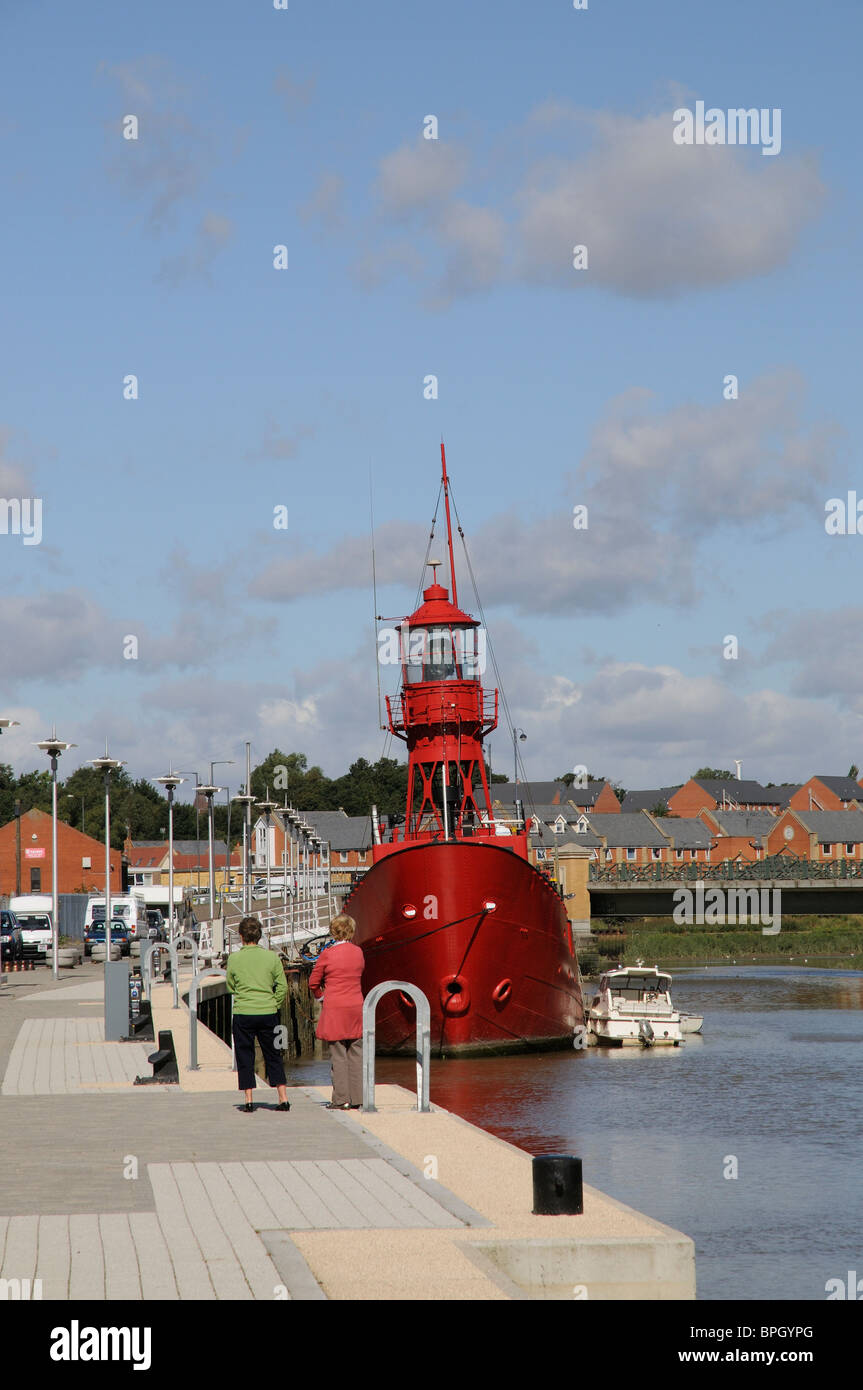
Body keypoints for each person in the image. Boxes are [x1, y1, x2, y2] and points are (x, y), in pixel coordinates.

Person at [226, 916, 290, 1113]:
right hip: (268, 1012)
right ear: (260, 935)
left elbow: (230, 986)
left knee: (245, 1055)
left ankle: (249, 1099)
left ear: (241, 936)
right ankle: (283, 1097)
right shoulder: (271, 958)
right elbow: (282, 987)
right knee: (273, 1054)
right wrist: (273, 1002)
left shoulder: (234, 958)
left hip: (243, 1012)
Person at [309, 913, 365, 1110]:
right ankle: (358, 1097)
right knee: (357, 1053)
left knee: (338, 1054)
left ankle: (341, 1099)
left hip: (335, 1008)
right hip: (356, 1006)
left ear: (334, 931)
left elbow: (313, 982)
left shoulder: (328, 954)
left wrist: (320, 996)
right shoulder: (358, 952)